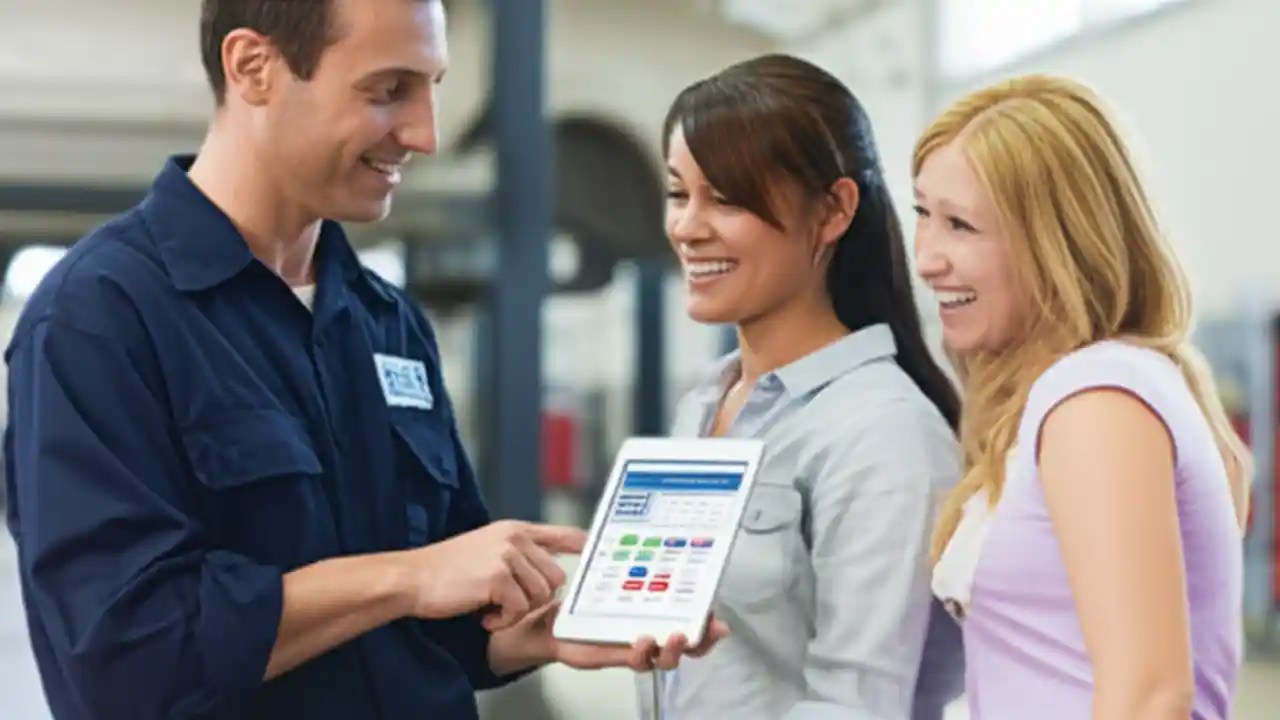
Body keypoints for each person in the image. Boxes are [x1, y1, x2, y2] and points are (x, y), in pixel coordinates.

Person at [1, 1, 725, 719]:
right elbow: (128, 654)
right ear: (253, 67)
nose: (426, 134)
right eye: (388, 91)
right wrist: (408, 578)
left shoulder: (387, 320)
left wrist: (527, 634)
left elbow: (435, 621)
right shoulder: (99, 318)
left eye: (432, 87)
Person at [636, 53, 966, 720]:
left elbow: (860, 702)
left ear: (834, 210)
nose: (688, 227)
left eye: (726, 198)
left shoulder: (884, 432)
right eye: (679, 193)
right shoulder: (701, 407)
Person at [918, 75, 1248, 719]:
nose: (927, 256)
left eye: (961, 225)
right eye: (922, 214)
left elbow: (1149, 698)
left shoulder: (1096, 401)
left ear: (1056, 242)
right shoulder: (1076, 393)